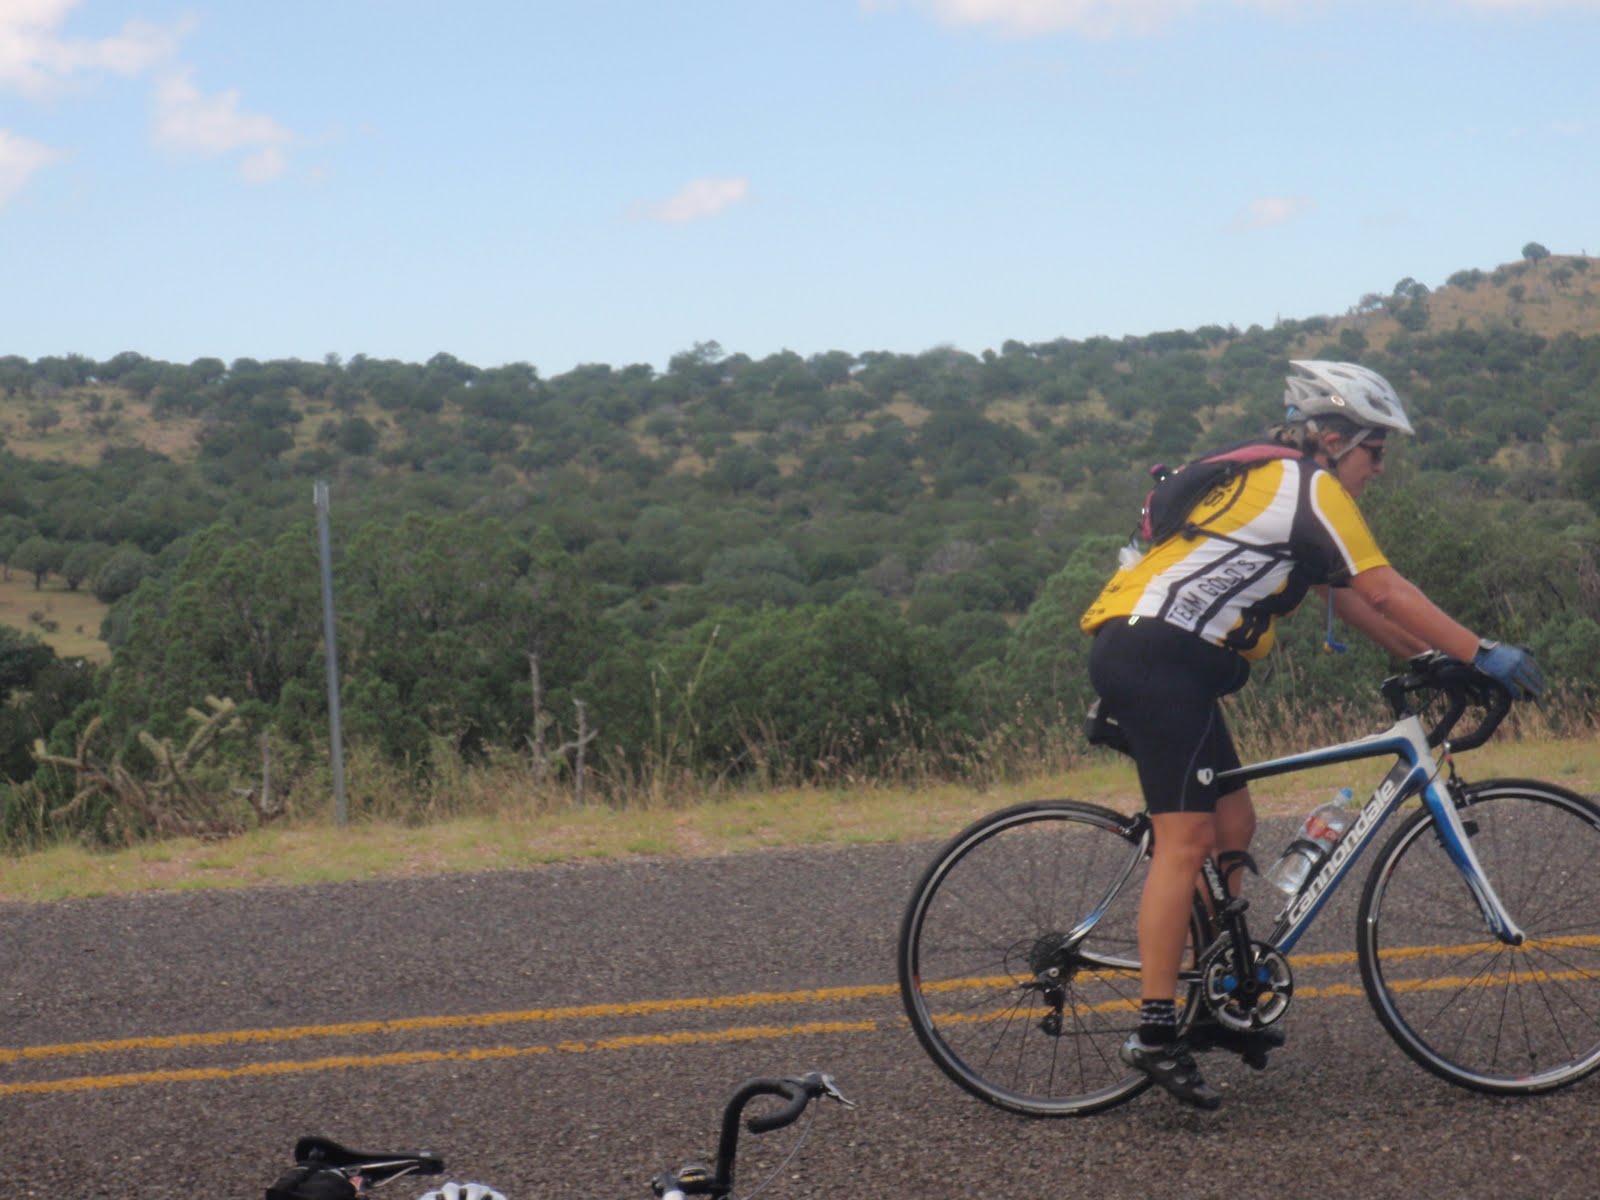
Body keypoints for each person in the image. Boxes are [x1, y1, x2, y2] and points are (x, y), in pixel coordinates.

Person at [1078, 359, 1545, 1111]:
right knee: (1187, 840)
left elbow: (1354, 599)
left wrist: (1429, 658)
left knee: (1236, 819)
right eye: (1376, 451)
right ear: (1333, 439)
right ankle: (1157, 1030)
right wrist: (1479, 651)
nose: (1380, 469)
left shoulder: (1288, 494)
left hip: (1174, 661)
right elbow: (1387, 586)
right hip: (1156, 655)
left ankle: (1219, 988)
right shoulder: (1307, 486)